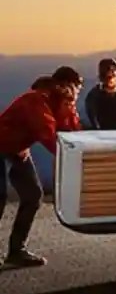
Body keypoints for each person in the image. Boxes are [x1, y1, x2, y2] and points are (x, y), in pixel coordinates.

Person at [0, 67, 83, 267]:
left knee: (33, 196)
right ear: (61, 86)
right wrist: (73, 159)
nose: (76, 94)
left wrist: (69, 106)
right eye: (75, 89)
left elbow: (71, 131)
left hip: (17, 149)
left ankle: (16, 251)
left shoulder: (58, 102)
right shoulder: (36, 100)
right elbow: (48, 135)